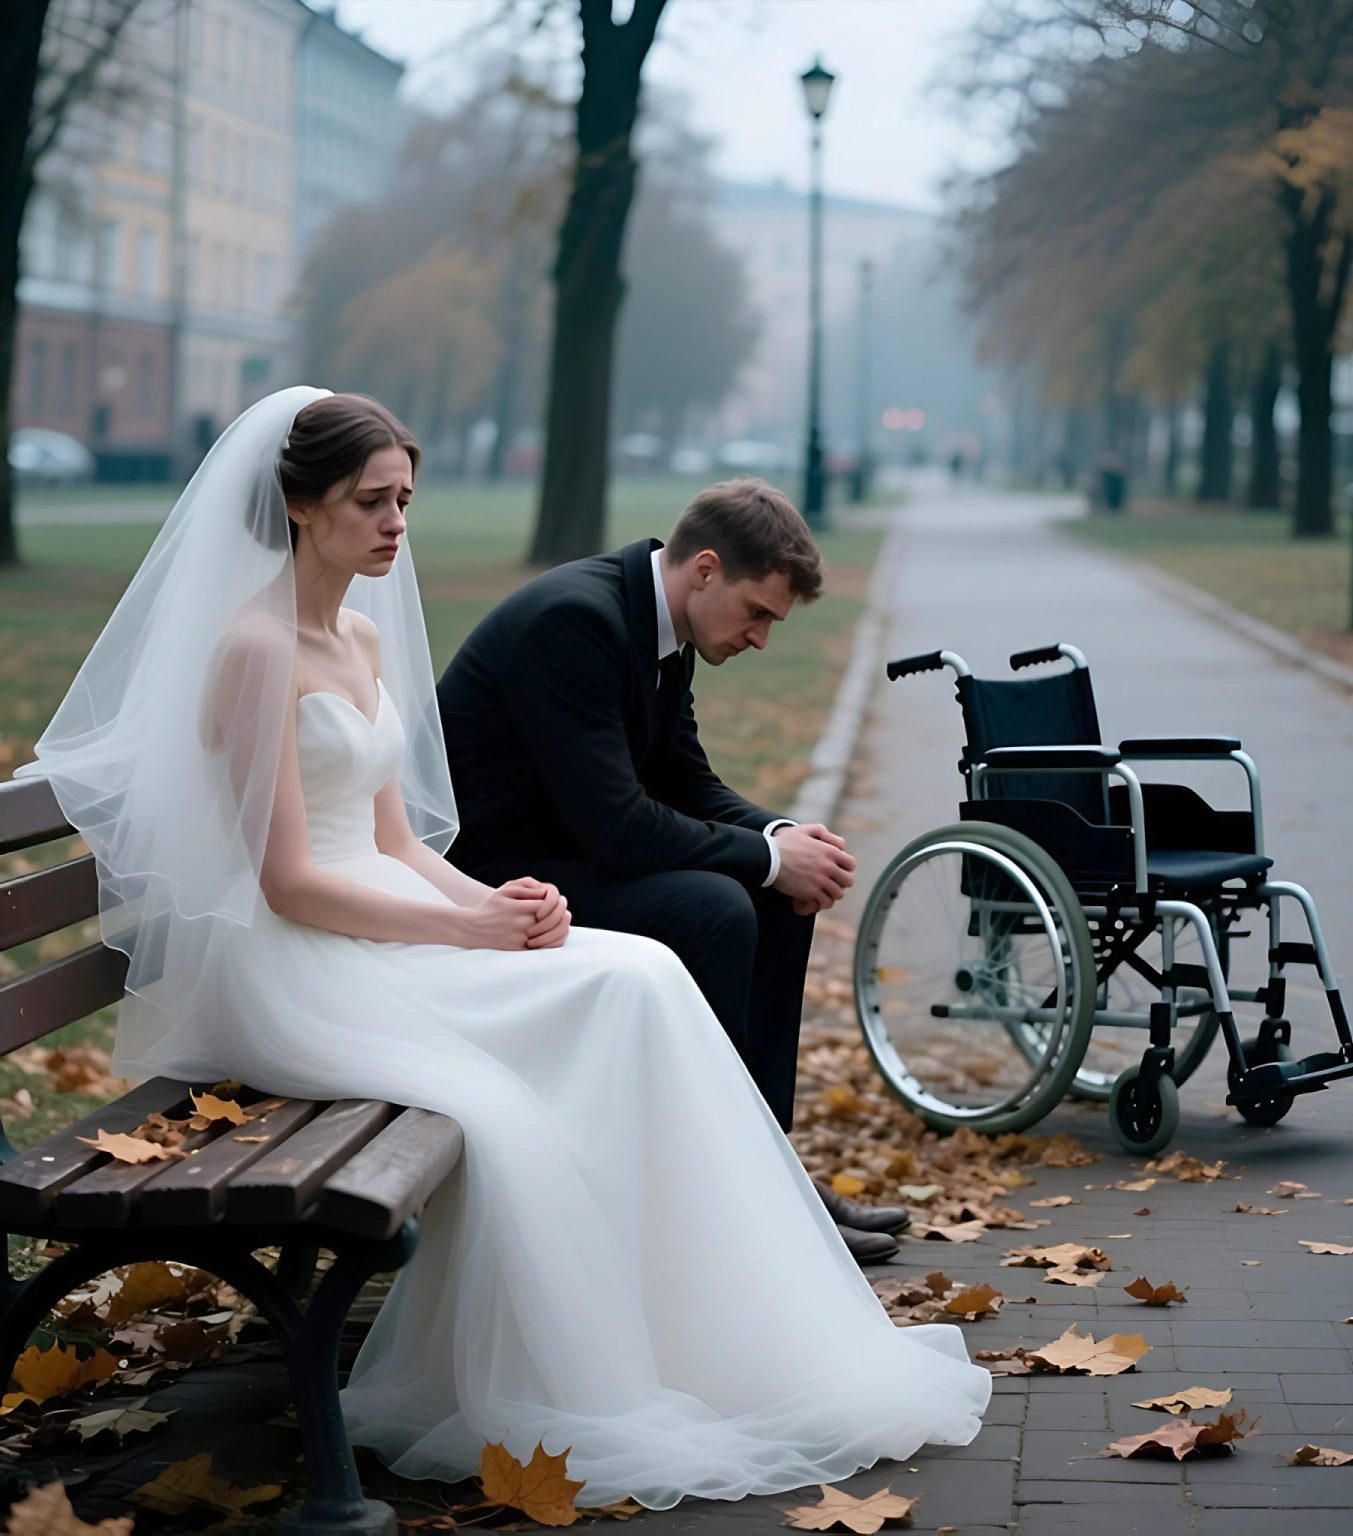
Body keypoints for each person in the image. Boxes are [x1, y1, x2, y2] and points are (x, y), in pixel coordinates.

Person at [15, 388, 990, 1511]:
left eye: (404, 501)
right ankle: (603, 1345)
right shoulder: (251, 649)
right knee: (600, 1011)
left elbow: (395, 842)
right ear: (300, 506)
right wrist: (466, 926)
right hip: (293, 961)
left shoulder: (360, 635)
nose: (395, 525)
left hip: (388, 914)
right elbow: (286, 882)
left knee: (641, 973)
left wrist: (497, 902)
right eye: (370, 502)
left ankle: (698, 1300)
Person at [437, 482, 907, 1262]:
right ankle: (717, 1189)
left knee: (779, 896)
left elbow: (686, 780)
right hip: (495, 882)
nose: (761, 639)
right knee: (717, 906)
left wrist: (781, 836)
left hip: (565, 856)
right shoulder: (574, 621)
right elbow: (619, 827)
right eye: (757, 613)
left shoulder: (663, 625)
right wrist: (767, 859)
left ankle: (763, 1167)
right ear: (706, 569)